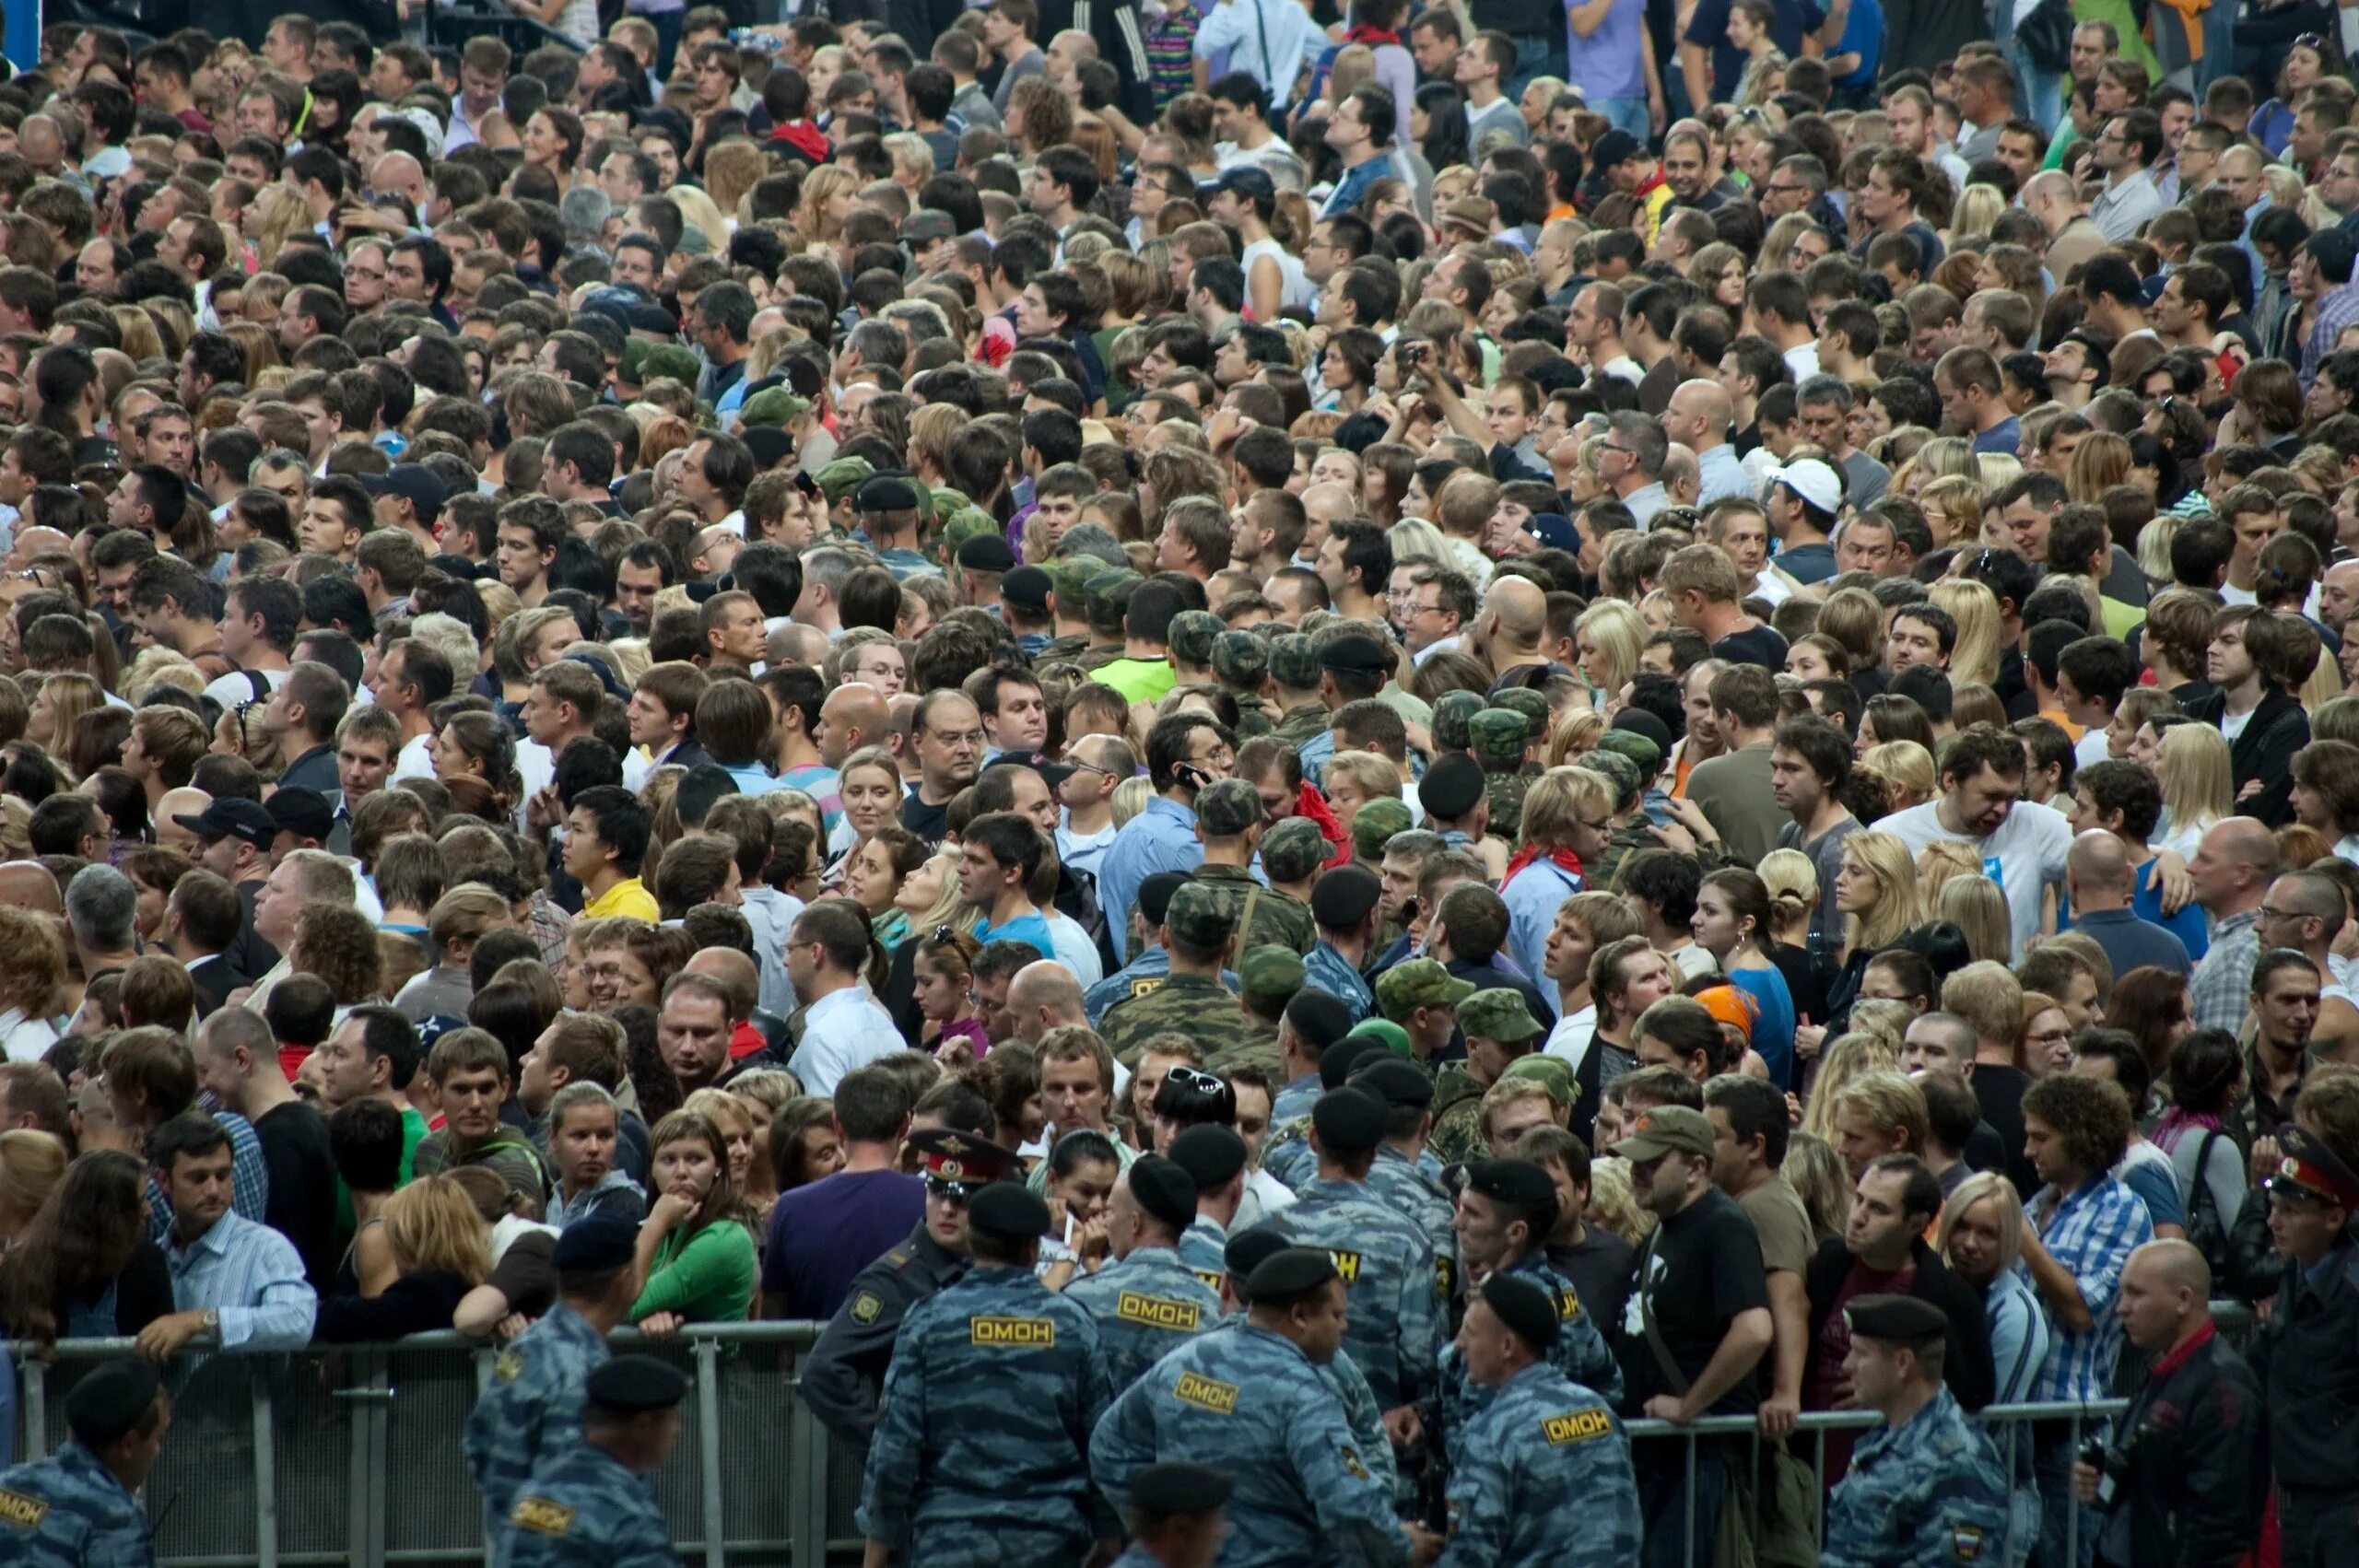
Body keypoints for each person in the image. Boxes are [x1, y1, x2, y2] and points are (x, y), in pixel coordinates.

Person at [1089, 1246, 1440, 1566]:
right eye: (1336, 1315)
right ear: (1301, 1315)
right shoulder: (1304, 1393)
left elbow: (1108, 1446)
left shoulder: (1188, 1359)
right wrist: (1401, 1547)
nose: (1344, 1326)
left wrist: (1166, 1536)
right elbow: (1349, 1503)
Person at [858, 1180, 1115, 1564]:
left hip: (950, 1542)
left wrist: (876, 1550)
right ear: (1032, 1250)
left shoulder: (929, 1321)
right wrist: (1108, 1536)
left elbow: (896, 1445)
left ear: (972, 1241)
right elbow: (1100, 1439)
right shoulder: (1073, 1324)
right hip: (1050, 1542)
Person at [1609, 1105, 1772, 1568]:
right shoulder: (1665, 1226)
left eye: (1653, 1163)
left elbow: (1754, 1329)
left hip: (1697, 1458)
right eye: (1635, 1162)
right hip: (1659, 1457)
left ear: (1697, 1168)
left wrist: (1689, 1406)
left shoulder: (1722, 1225)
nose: (1638, 1174)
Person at [803, 1128, 1015, 1452]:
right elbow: (822, 1373)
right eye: (937, 1191)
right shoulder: (895, 1280)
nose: (946, 1208)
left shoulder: (997, 1267)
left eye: (962, 1196)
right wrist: (889, 1449)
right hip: (933, 1477)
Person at [2074, 1239, 2266, 1568]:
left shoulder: (2223, 1388)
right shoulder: (2168, 1370)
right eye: (2123, 1293)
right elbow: (2158, 1476)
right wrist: (2108, 1478)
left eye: (2136, 1293)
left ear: (2183, 1300)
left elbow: (2218, 1528)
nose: (2122, 1307)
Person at [463, 1211, 643, 1560]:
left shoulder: (525, 1346)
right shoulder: (581, 1371)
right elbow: (569, 1491)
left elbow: (478, 1444)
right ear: (624, 1279)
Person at [1440, 1270, 1644, 1568]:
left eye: (1469, 1333)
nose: (1459, 1345)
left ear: (1507, 1346)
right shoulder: (1599, 1411)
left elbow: (1470, 1554)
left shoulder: (1491, 1433)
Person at [1820, 1294, 2031, 1568]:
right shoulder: (1884, 1437)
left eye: (1861, 1353)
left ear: (1903, 1363)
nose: (1847, 1365)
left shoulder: (1957, 1461)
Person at [2248, 1127, 2359, 1568]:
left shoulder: (2351, 1293)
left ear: (2333, 1218)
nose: (2274, 1222)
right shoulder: (2295, 1277)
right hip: (2300, 1501)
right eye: (2273, 1207)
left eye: (2290, 1211)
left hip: (2348, 1509)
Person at [134, 1111, 316, 1360]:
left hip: (241, 1397)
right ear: (163, 1180)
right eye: (198, 1178)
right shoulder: (155, 1255)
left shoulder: (266, 1247)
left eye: (222, 1175)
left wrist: (203, 1321)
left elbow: (297, 1321)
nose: (213, 1190)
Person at [498, 1355, 687, 1568]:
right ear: (643, 1426)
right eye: (673, 1419)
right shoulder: (628, 1516)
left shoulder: (531, 1493)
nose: (676, 1432)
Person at [1063, 1154, 1226, 1390]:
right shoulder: (1215, 1311)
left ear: (1135, 1223)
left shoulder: (1081, 1298)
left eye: (1111, 1212)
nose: (1105, 1222)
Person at [0, 1357, 170, 1566]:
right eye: (158, 1439)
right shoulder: (116, 1518)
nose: (157, 1450)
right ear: (129, 1445)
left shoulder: (7, 1484)